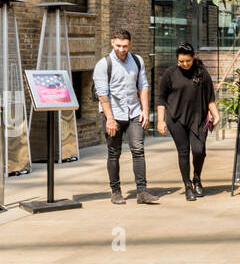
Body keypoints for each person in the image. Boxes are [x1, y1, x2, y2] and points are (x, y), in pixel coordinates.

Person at [94, 29, 157, 205]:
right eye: (119, 45)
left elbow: (143, 86)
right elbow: (102, 94)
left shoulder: (137, 60)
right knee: (114, 152)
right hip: (112, 113)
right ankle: (115, 191)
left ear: (129, 44)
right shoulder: (103, 64)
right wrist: (110, 120)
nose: (122, 49)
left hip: (134, 112)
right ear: (112, 43)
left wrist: (145, 110)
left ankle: (142, 192)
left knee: (138, 150)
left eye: (125, 46)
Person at [157, 43, 219, 201]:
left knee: (199, 150)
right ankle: (188, 185)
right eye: (181, 61)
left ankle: (197, 178)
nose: (184, 64)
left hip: (198, 119)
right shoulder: (170, 74)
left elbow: (210, 98)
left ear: (193, 58)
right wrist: (160, 121)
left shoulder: (201, 73)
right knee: (183, 152)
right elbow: (161, 99)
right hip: (176, 119)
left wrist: (216, 115)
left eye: (187, 61)